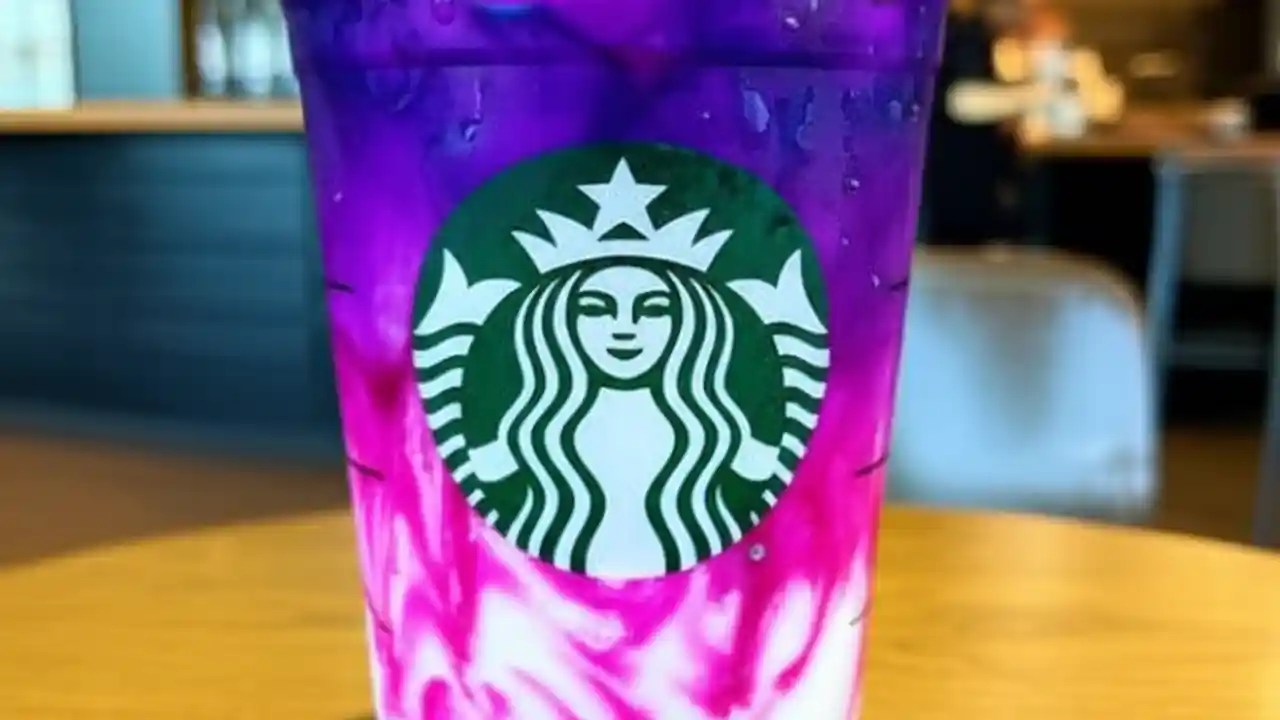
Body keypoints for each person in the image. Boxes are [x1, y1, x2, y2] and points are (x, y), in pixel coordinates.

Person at [924, 0, 1039, 245]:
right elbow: (961, 100)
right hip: (957, 178)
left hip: (957, 176)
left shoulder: (975, 34)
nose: (1028, 15)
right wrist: (1038, 94)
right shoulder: (968, 34)